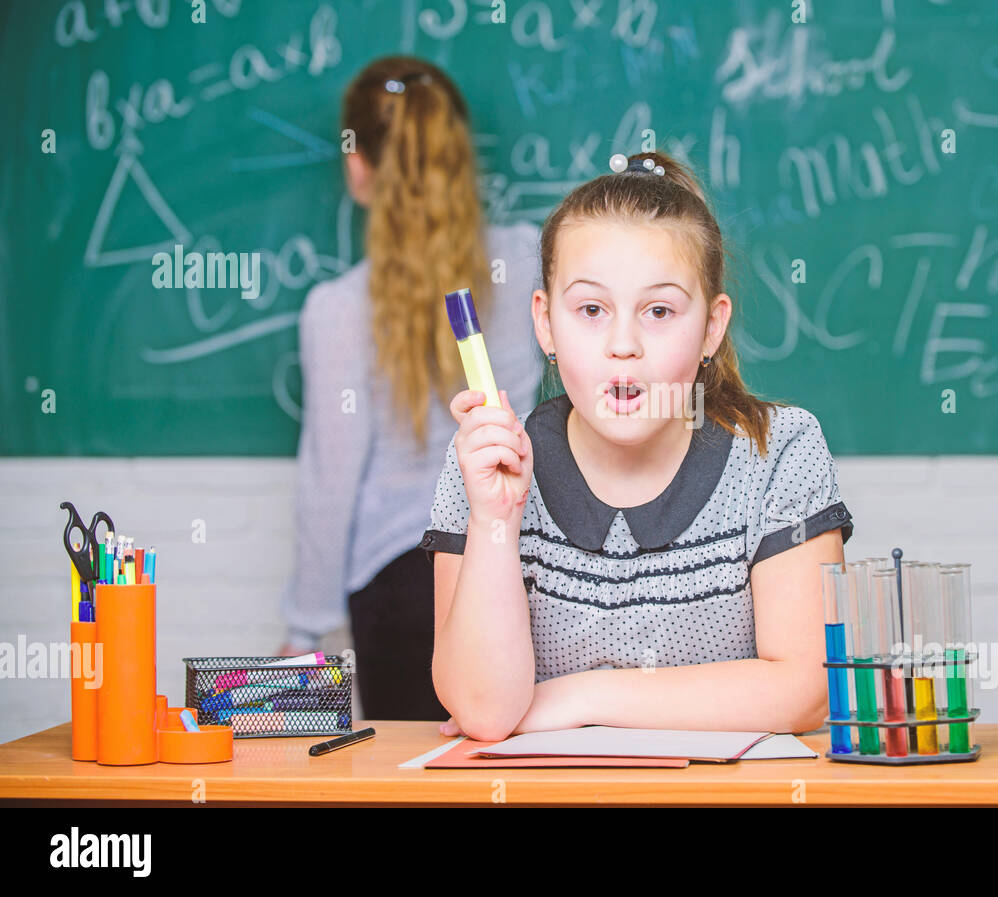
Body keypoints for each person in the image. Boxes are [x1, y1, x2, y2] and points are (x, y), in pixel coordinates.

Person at [421, 151, 853, 741]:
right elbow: (486, 711)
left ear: (711, 327)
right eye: (592, 310)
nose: (623, 345)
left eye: (658, 311)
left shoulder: (778, 452)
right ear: (546, 323)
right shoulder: (484, 461)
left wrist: (577, 698)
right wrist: (495, 518)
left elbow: (808, 689)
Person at [279, 56, 543, 721]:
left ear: (358, 166)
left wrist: (304, 629)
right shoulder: (531, 260)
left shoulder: (338, 309)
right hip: (512, 567)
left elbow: (330, 480)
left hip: (396, 586)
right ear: (460, 156)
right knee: (508, 771)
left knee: (414, 782)